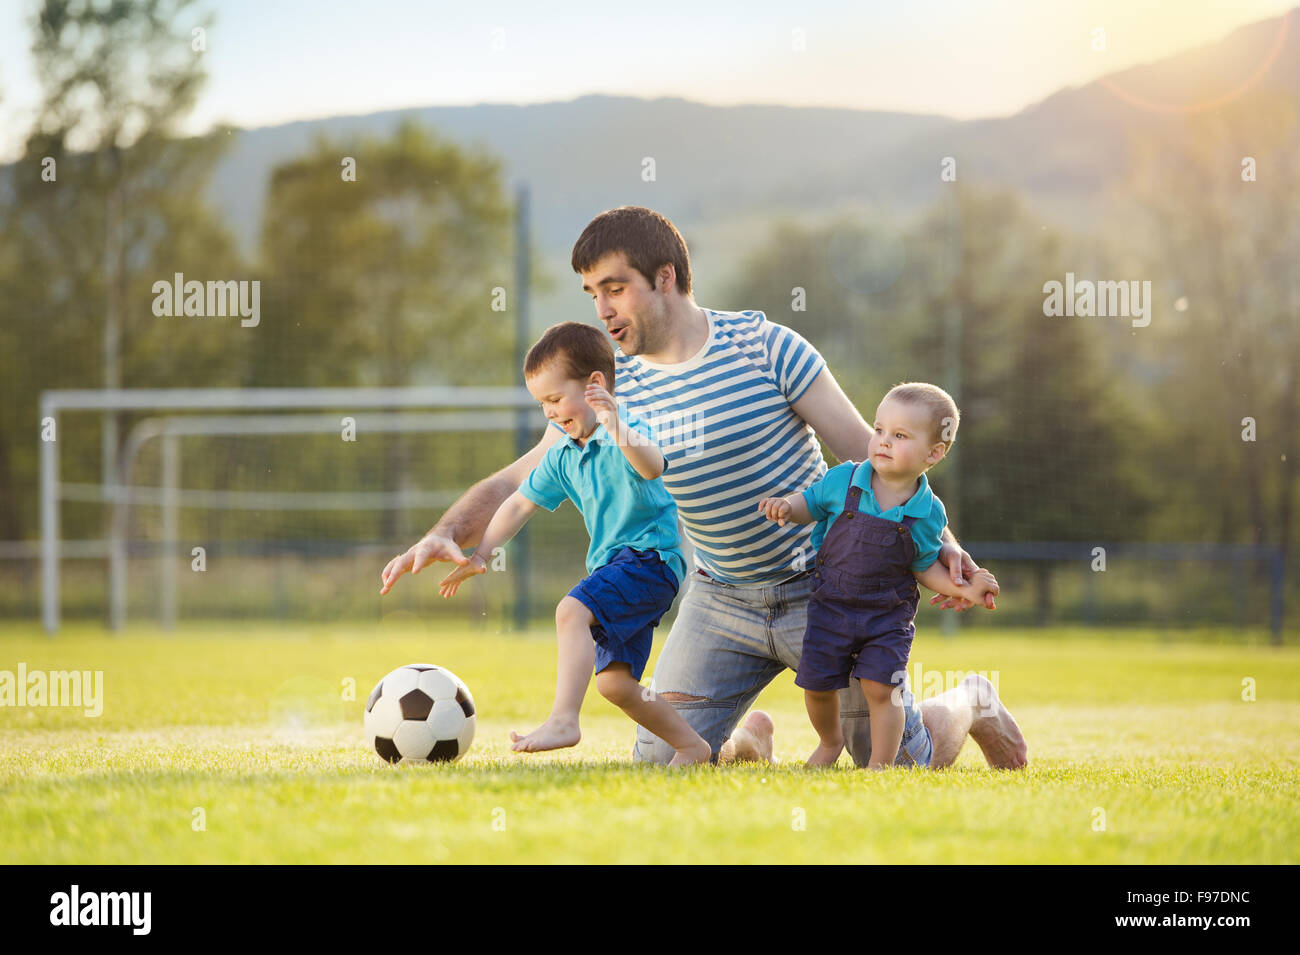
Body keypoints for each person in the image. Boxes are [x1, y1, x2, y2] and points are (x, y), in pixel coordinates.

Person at [382, 205, 1028, 771]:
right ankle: (751, 737)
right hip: (718, 599)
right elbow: (515, 479)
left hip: (823, 589)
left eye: (615, 288)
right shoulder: (609, 385)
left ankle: (970, 699)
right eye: (590, 293)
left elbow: (868, 453)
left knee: (900, 759)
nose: (602, 309)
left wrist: (945, 546)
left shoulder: (769, 348)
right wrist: (445, 531)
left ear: (665, 277)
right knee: (665, 756)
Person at [437, 321, 711, 767]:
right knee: (616, 685)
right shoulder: (563, 453)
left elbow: (652, 467)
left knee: (570, 610)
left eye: (554, 398)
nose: (548, 412)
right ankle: (692, 746)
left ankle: (564, 720)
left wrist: (616, 424)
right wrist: (481, 554)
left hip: (652, 560)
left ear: (595, 387)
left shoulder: (626, 431)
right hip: (615, 568)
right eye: (541, 403)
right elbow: (517, 505)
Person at [758, 382, 1000, 768]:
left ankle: (881, 764)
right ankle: (829, 741)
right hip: (830, 607)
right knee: (817, 685)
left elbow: (924, 566)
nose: (883, 441)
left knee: (882, 689)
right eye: (879, 429)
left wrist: (968, 590)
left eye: (900, 435)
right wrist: (787, 507)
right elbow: (812, 503)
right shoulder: (845, 480)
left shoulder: (927, 511)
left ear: (933, 453)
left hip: (886, 616)